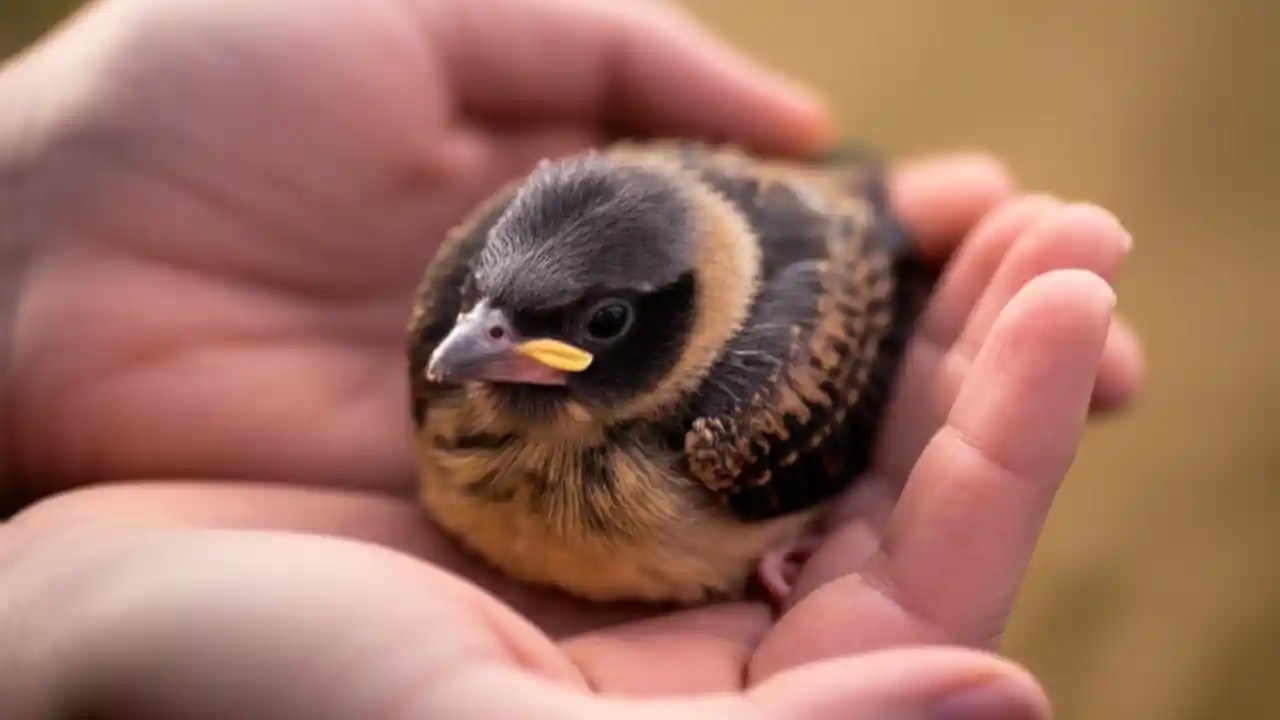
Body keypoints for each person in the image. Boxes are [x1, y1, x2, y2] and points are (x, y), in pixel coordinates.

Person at [0, 0, 1144, 717]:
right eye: (484, 313)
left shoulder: (736, 417)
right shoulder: (464, 317)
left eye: (592, 329)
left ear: (665, 318)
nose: (469, 347)